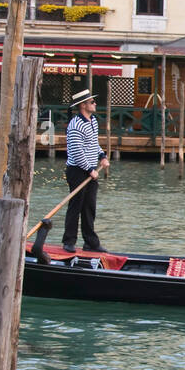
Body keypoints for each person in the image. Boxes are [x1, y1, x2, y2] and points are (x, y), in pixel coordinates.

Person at [62, 88, 110, 253]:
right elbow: (76, 151)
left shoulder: (93, 121)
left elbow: (92, 143)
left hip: (90, 172)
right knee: (75, 207)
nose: (95, 104)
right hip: (77, 171)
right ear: (83, 105)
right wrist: (90, 169)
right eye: (92, 102)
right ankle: (69, 241)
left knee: (89, 207)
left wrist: (102, 156)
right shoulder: (75, 125)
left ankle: (90, 242)